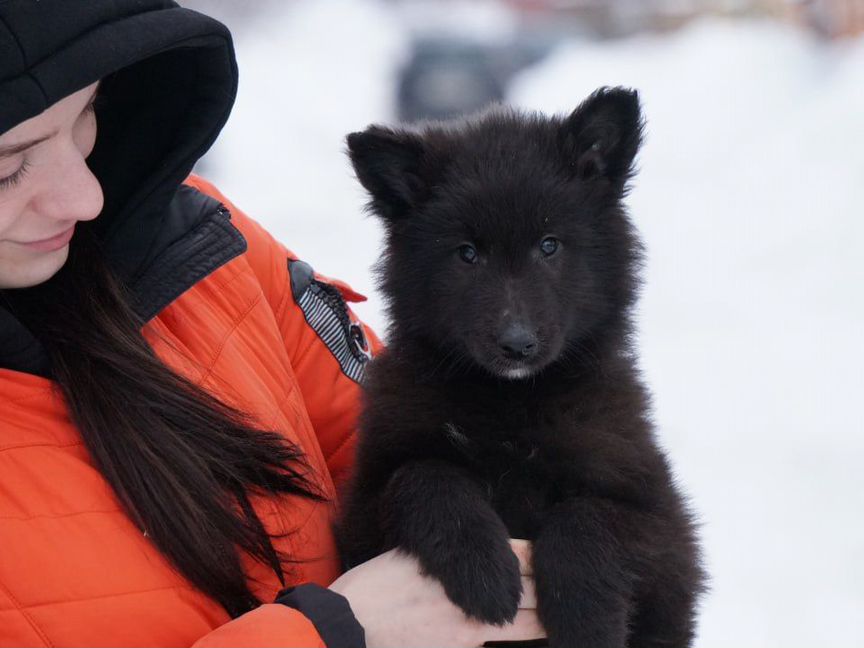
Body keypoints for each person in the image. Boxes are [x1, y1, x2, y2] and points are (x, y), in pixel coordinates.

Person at [0, 2, 546, 647]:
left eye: (84, 116)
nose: (85, 196)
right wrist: (334, 635)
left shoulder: (198, 251)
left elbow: (413, 448)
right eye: (9, 165)